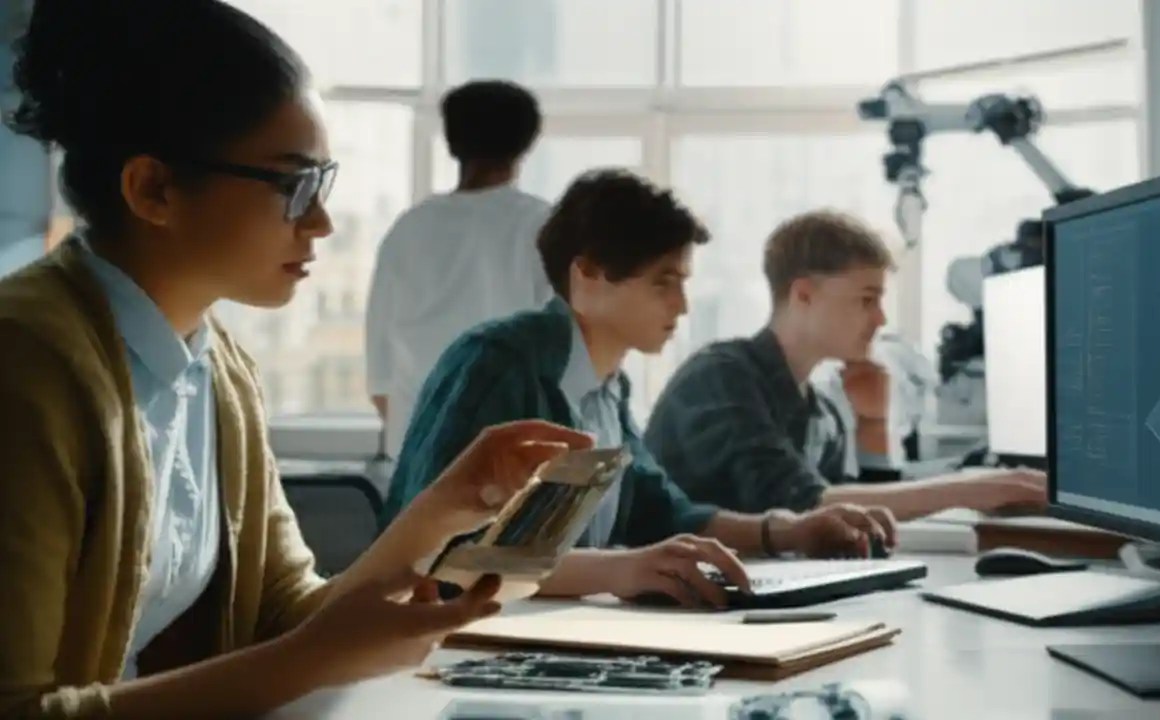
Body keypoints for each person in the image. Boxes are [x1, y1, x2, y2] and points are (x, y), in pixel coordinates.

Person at [0, 2, 592, 717]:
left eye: (324, 182)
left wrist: (441, 511)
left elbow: (286, 619)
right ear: (153, 189)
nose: (322, 222)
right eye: (294, 185)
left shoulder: (217, 370)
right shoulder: (25, 362)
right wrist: (315, 656)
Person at [382, 170, 900, 609]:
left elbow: (662, 511)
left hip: (552, 635)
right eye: (663, 282)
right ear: (587, 275)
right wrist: (620, 571)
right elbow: (439, 555)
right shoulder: (497, 364)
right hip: (448, 647)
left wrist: (790, 531)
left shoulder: (609, 388)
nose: (682, 305)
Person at [644, 209, 1047, 520]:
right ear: (804, 295)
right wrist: (974, 489)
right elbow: (805, 506)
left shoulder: (820, 409)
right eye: (867, 299)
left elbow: (854, 514)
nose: (881, 319)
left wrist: (872, 425)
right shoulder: (720, 378)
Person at [365, 80, 552, 458]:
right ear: (526, 145)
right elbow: (562, 353)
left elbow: (380, 373)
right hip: (512, 456)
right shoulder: (544, 228)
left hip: (418, 454)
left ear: (451, 143)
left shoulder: (408, 229)